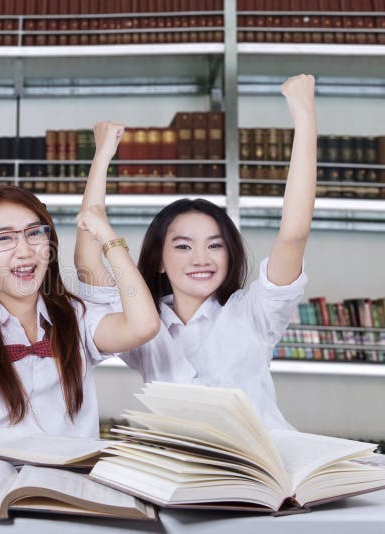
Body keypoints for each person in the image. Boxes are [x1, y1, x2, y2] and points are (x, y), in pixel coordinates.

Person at [75, 75, 317, 430]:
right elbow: (87, 262)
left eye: (215, 245)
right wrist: (102, 157)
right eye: (184, 246)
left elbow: (293, 235)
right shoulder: (144, 323)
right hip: (182, 475)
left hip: (260, 474)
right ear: (158, 258)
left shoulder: (255, 313)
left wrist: (305, 117)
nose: (201, 258)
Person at [0, 184, 159, 437]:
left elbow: (143, 326)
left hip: (67, 474)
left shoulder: (75, 316)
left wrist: (108, 239)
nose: (25, 251)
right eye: (4, 238)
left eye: (35, 233)